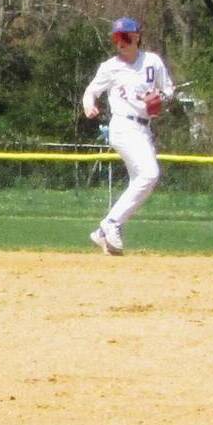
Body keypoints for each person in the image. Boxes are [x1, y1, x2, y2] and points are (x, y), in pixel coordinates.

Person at [81, 16, 175, 255]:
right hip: (123, 125)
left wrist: (160, 98)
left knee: (142, 183)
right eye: (116, 38)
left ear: (137, 37)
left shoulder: (152, 61)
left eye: (125, 37)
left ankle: (103, 232)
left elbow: (168, 89)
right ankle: (111, 223)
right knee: (150, 174)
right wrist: (89, 105)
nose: (120, 42)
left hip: (143, 129)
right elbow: (91, 91)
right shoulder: (110, 67)